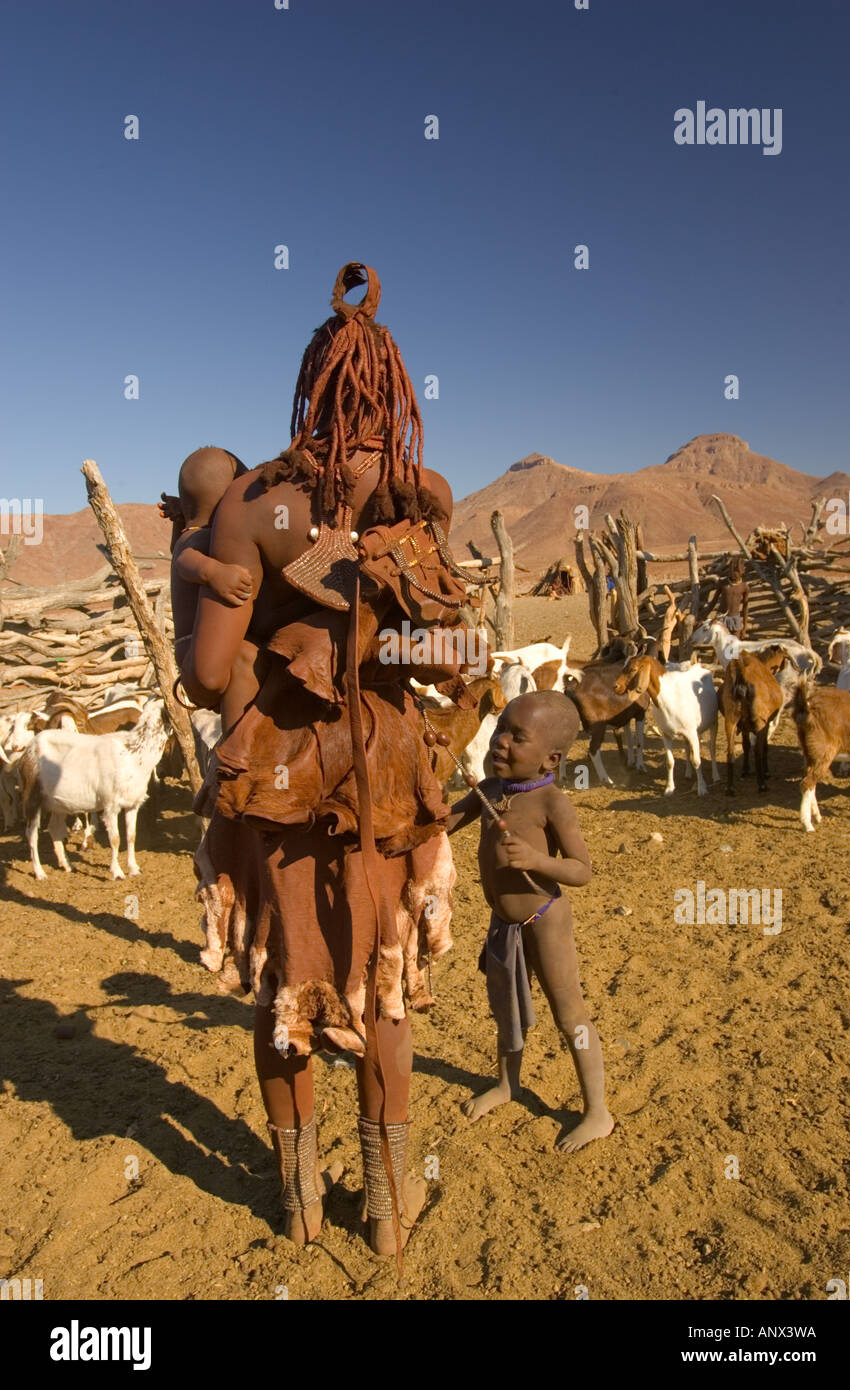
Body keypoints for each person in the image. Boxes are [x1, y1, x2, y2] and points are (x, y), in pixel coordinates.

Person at [181, 264, 463, 1255]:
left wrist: (222, 593)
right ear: (394, 388)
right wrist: (370, 645)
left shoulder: (252, 501)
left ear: (306, 385)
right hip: (381, 785)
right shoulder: (421, 497)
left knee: (283, 989)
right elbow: (454, 652)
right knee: (379, 983)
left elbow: (207, 677)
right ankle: (389, 1209)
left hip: (276, 784)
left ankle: (297, 1203)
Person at [447, 690, 615, 1153]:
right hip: (503, 921)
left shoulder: (551, 803)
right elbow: (444, 822)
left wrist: (537, 860)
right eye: (500, 729)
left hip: (545, 918)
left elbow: (582, 870)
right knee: (505, 1008)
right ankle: (507, 1084)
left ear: (551, 759)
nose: (500, 742)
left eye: (516, 737)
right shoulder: (490, 791)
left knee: (570, 1014)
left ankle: (597, 1110)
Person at [159, 447, 264, 729]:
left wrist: (180, 517)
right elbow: (184, 562)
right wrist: (214, 572)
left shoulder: (189, 534)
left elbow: (175, 549)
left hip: (193, 647)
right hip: (194, 648)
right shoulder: (198, 541)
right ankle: (235, 738)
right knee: (246, 659)